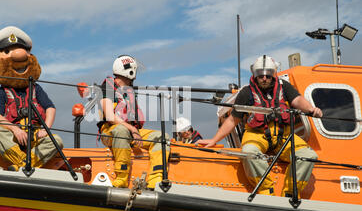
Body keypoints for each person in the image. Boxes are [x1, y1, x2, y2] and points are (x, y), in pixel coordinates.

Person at [197, 55, 322, 197]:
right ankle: (266, 189)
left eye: (268, 75)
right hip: (257, 135)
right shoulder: (246, 92)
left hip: (284, 136)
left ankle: (291, 192)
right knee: (249, 152)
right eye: (260, 75)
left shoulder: (284, 87)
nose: (264, 78)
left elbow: (297, 100)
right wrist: (214, 140)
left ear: (273, 74)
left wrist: (312, 109)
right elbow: (233, 120)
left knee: (308, 155)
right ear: (254, 75)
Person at [0, 26, 63, 171]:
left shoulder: (35, 88)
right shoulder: (0, 92)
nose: (19, 55)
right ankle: (24, 163)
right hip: (13, 136)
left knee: (56, 140)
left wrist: (46, 128)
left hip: (35, 135)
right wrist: (15, 130)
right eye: (7, 51)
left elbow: (50, 108)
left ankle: (26, 163)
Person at [98, 55, 170, 189]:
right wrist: (133, 129)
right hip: (110, 132)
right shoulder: (106, 88)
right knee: (121, 130)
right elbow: (109, 116)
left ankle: (155, 179)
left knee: (161, 137)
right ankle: (121, 177)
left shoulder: (128, 91)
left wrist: (133, 130)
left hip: (130, 132)